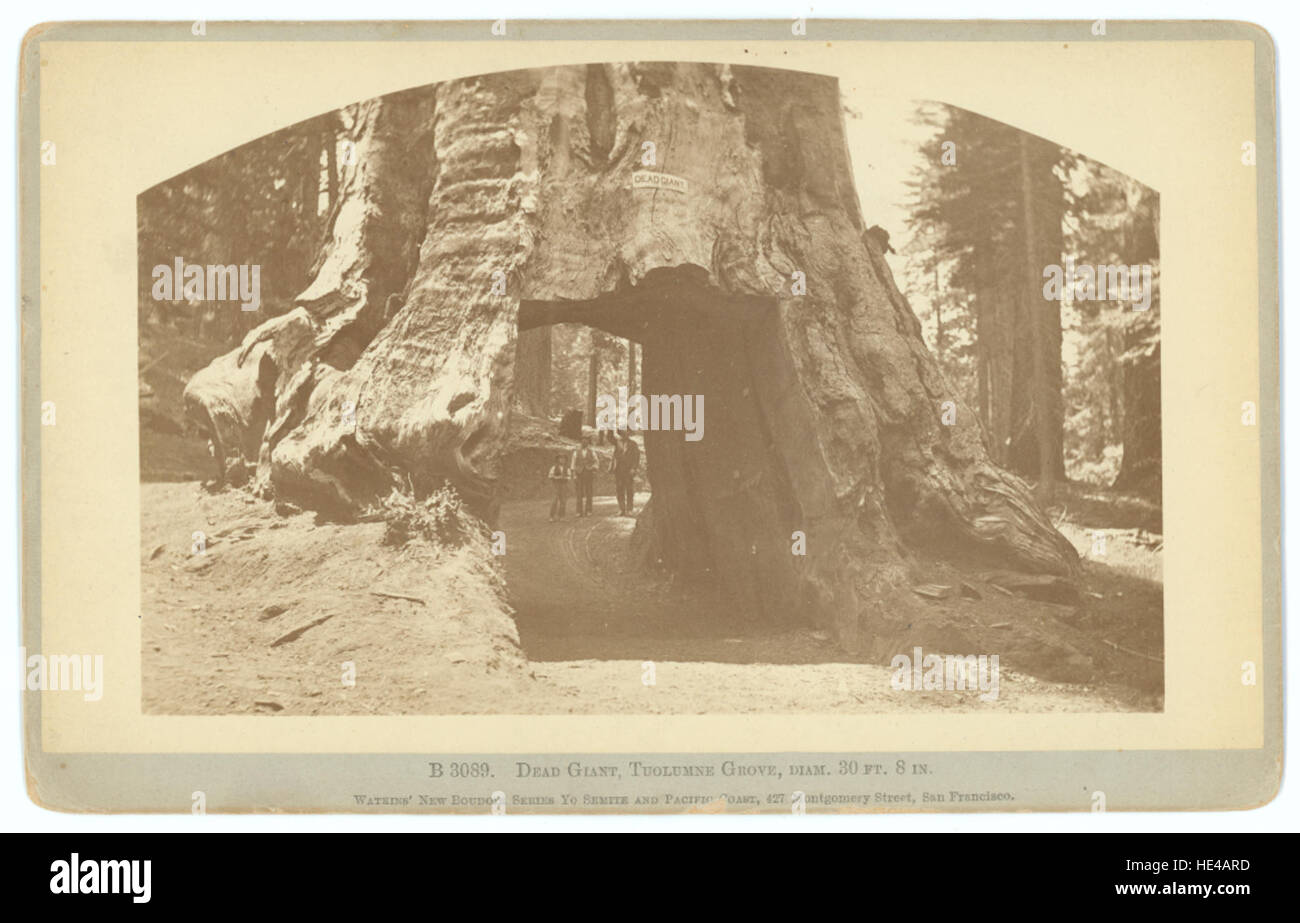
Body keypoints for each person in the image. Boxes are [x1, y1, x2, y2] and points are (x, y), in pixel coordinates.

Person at [613, 431, 640, 515]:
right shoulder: (618, 444)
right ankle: (621, 509)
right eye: (622, 433)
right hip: (619, 470)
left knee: (629, 490)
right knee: (619, 489)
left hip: (628, 470)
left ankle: (629, 509)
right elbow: (615, 456)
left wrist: (633, 468)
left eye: (625, 432)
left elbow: (636, 457)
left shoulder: (633, 444)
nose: (624, 434)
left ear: (628, 434)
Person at [571, 436, 598, 517]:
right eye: (583, 441)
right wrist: (574, 474)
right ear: (581, 442)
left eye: (586, 441)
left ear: (588, 443)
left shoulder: (592, 452)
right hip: (579, 473)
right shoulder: (576, 452)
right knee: (579, 493)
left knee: (589, 492)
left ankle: (589, 510)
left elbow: (596, 461)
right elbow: (573, 463)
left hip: (588, 473)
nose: (584, 443)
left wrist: (594, 468)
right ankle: (579, 511)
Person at [547, 454, 570, 521]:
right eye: (560, 458)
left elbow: (569, 477)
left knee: (563, 501)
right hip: (556, 486)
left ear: (565, 460)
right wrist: (557, 477)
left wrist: (565, 478)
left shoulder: (567, 468)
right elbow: (550, 476)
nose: (562, 460)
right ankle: (552, 516)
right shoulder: (554, 467)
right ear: (558, 460)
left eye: (563, 459)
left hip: (564, 486)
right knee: (554, 500)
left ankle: (562, 516)